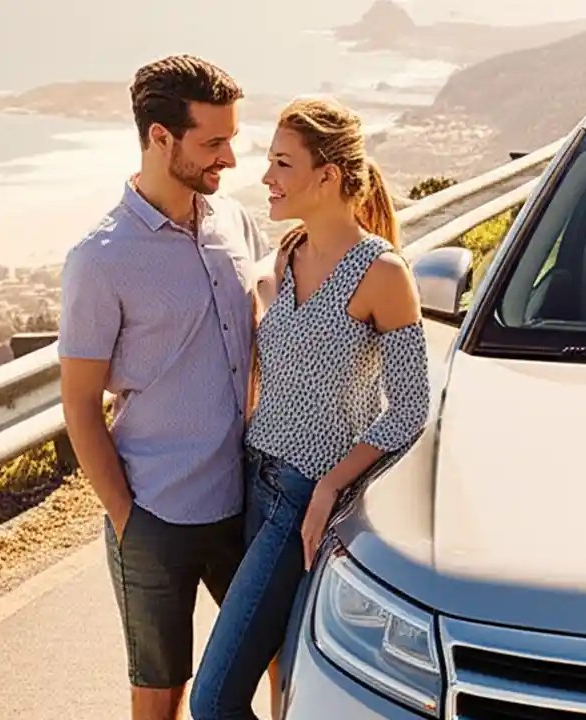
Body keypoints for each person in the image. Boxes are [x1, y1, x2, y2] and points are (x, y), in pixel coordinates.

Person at [189, 97, 432, 719]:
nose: (266, 177)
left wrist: (328, 488)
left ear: (327, 176)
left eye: (281, 164)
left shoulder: (382, 273)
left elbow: (409, 408)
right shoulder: (288, 252)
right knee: (286, 675)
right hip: (253, 485)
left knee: (214, 700)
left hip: (300, 502)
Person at [57, 55, 269, 720]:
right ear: (159, 137)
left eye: (231, 138)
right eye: (212, 142)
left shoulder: (233, 223)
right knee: (159, 694)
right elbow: (79, 404)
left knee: (281, 657)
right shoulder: (101, 259)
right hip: (158, 514)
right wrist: (128, 517)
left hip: (243, 502)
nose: (230, 158)